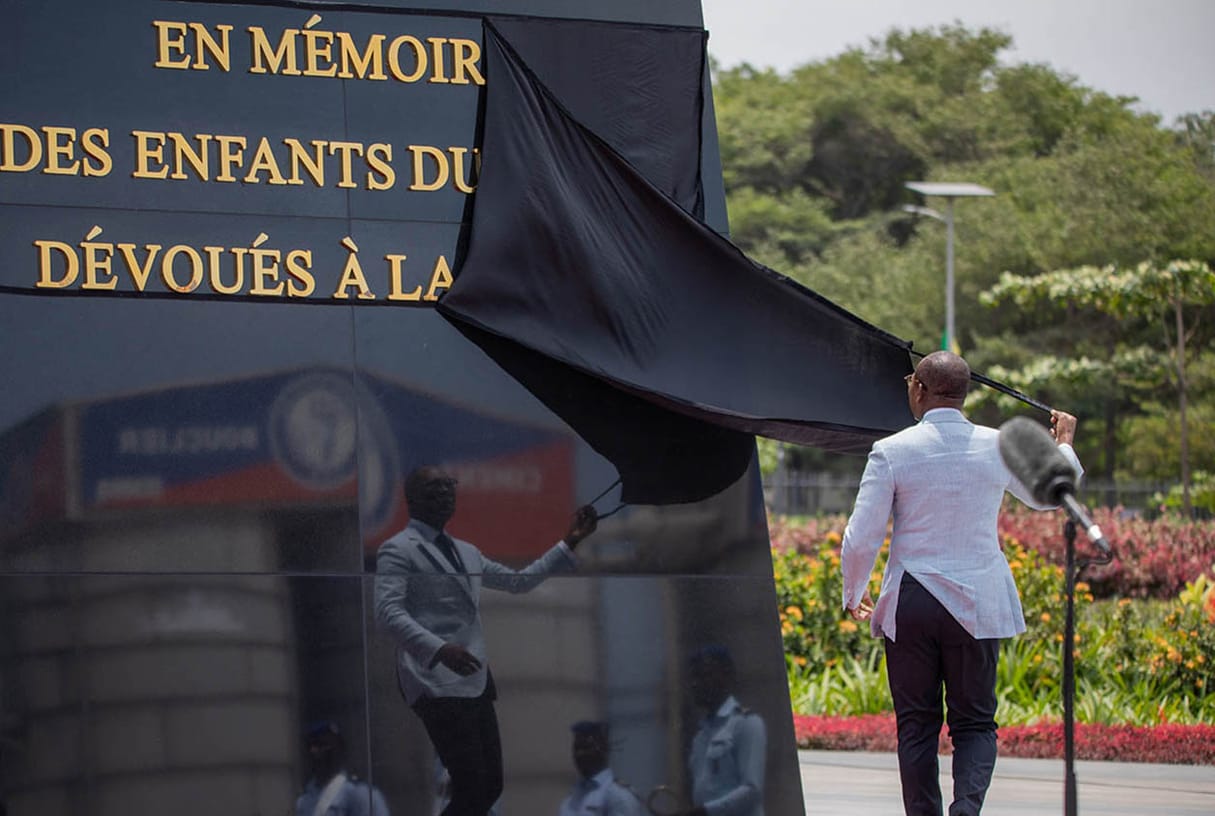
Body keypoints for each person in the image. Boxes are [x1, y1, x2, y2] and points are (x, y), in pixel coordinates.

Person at [840, 351, 1082, 816]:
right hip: (977, 601)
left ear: (920, 391)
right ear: (964, 392)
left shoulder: (892, 450)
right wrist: (1065, 444)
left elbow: (861, 535)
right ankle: (966, 810)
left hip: (912, 598)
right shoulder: (998, 445)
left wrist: (855, 590)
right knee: (975, 724)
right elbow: (1049, 496)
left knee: (916, 726)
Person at [374, 465, 598, 816]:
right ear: (413, 498)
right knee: (472, 786)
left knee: (490, 786)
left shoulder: (467, 552)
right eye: (436, 487)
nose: (447, 493)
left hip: (474, 679)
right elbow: (388, 612)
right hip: (434, 680)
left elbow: (518, 582)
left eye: (451, 486)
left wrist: (569, 543)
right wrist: (439, 648)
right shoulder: (398, 549)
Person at [677, 645, 765, 816]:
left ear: (725, 677)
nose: (695, 684)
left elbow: (752, 790)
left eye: (703, 676)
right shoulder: (701, 736)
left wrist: (704, 812)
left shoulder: (747, 724)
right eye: (692, 678)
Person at [295, 721, 389, 816]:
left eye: (322, 746)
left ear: (338, 751)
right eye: (311, 747)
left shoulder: (361, 795)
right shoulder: (305, 799)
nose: (314, 752)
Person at [557, 721, 643, 816]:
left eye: (586, 748)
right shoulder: (572, 798)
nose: (580, 754)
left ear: (604, 751)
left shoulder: (618, 795)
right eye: (576, 748)